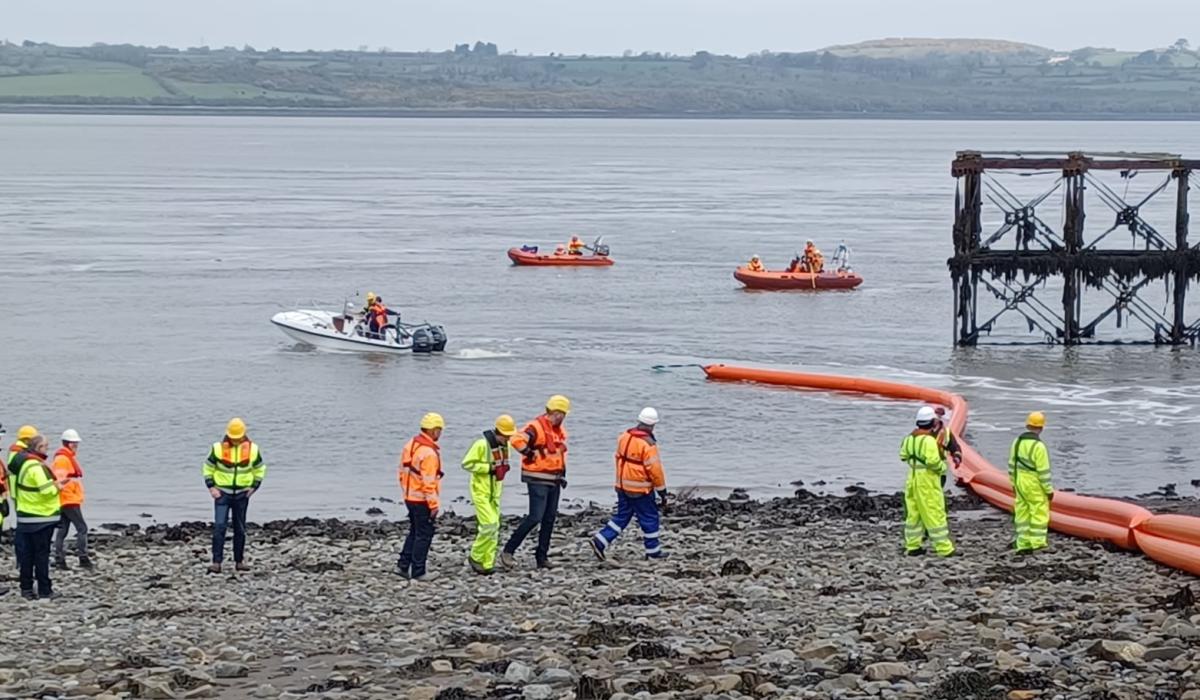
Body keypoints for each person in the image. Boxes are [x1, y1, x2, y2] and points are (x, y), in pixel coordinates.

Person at [591, 407, 669, 561]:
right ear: (653, 425)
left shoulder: (624, 437)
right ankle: (653, 551)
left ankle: (600, 540)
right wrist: (662, 491)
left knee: (622, 516)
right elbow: (655, 471)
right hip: (641, 489)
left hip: (622, 486)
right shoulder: (648, 444)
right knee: (650, 518)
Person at [502, 395, 570, 570]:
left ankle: (542, 557)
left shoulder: (558, 431)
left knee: (549, 518)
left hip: (554, 479)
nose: (562, 417)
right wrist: (528, 453)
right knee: (535, 517)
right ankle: (508, 550)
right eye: (561, 414)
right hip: (537, 478)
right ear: (555, 412)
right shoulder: (536, 427)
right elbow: (516, 439)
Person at [203, 418, 266, 574]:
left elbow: (260, 469)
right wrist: (211, 487)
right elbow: (208, 467)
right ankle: (216, 563)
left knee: (240, 528)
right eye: (233, 437)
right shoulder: (217, 448)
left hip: (242, 494)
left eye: (238, 437)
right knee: (219, 527)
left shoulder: (252, 449)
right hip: (222, 494)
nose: (236, 440)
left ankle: (239, 561)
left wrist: (254, 487)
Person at [461, 414, 518, 575]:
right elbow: (467, 463)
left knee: (495, 527)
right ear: (498, 432)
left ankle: (487, 563)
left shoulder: (504, 447)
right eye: (506, 436)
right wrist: (488, 468)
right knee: (489, 524)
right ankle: (476, 556)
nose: (508, 439)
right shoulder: (481, 445)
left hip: (495, 491)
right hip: (481, 490)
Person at [899, 407, 955, 557]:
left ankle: (913, 546)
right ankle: (944, 549)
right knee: (934, 512)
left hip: (912, 477)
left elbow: (903, 455)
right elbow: (933, 462)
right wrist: (943, 468)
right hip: (927, 480)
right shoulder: (929, 441)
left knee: (914, 513)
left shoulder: (909, 438)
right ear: (932, 422)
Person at [13, 434, 62, 599]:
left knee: (27, 555)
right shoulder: (36, 467)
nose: (47, 450)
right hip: (41, 517)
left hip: (25, 516)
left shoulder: (24, 466)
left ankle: (26, 588)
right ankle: (44, 590)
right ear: (38, 448)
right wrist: (58, 487)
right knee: (41, 555)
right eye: (45, 447)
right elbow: (47, 491)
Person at [397, 412, 444, 581]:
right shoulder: (429, 453)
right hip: (422, 499)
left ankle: (403, 565)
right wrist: (433, 505)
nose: (440, 433)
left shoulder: (411, 444)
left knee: (414, 531)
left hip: (409, 496)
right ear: (433, 430)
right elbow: (429, 482)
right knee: (424, 535)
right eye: (439, 430)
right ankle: (419, 571)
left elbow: (402, 471)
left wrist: (405, 492)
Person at [1009, 411, 1054, 554]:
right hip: (1034, 483)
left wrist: (1013, 483)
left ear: (1027, 425)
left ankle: (1023, 542)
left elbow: (1011, 465)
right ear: (1041, 428)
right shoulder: (1039, 447)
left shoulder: (1017, 442)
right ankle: (1038, 542)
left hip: (1019, 480)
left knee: (1022, 510)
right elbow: (1044, 472)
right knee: (1039, 511)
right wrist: (1048, 490)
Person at [52, 429, 91, 570]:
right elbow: (61, 481)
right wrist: (69, 497)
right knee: (82, 528)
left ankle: (60, 559)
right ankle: (83, 558)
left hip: (66, 499)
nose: (76, 446)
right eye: (74, 443)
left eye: (76, 443)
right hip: (68, 499)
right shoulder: (63, 459)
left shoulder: (65, 457)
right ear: (67, 443)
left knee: (63, 529)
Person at [932, 407, 963, 473]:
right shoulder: (921, 432)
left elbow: (955, 448)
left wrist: (957, 458)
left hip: (938, 471)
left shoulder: (946, 433)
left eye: (937, 416)